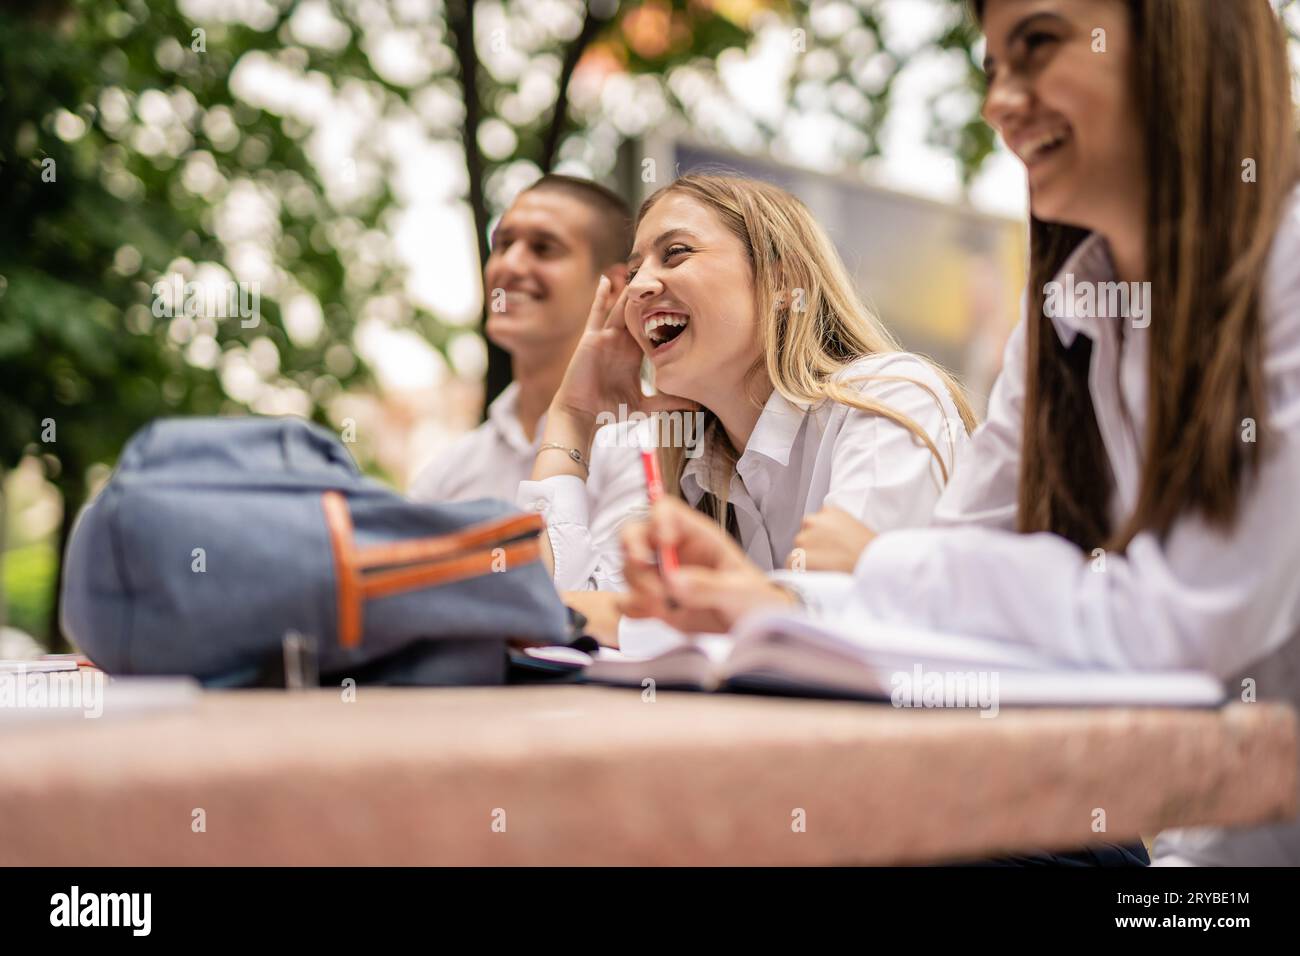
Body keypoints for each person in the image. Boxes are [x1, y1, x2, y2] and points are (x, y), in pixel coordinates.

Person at [620, 0, 1300, 866]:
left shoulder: (1284, 269)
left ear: (1181, 38)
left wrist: (863, 573)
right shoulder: (1064, 314)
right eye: (992, 69)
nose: (1001, 102)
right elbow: (942, 596)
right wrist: (789, 601)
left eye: (1040, 46)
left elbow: (1181, 629)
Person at [521, 173, 975, 621]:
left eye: (676, 253)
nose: (637, 288)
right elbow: (563, 619)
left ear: (784, 282)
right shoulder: (685, 464)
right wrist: (572, 417)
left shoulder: (886, 398)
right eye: (635, 271)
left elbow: (843, 620)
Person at [409, 174, 633, 504]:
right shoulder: (448, 474)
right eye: (502, 244)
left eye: (544, 248)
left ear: (611, 287)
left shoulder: (657, 450)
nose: (509, 265)